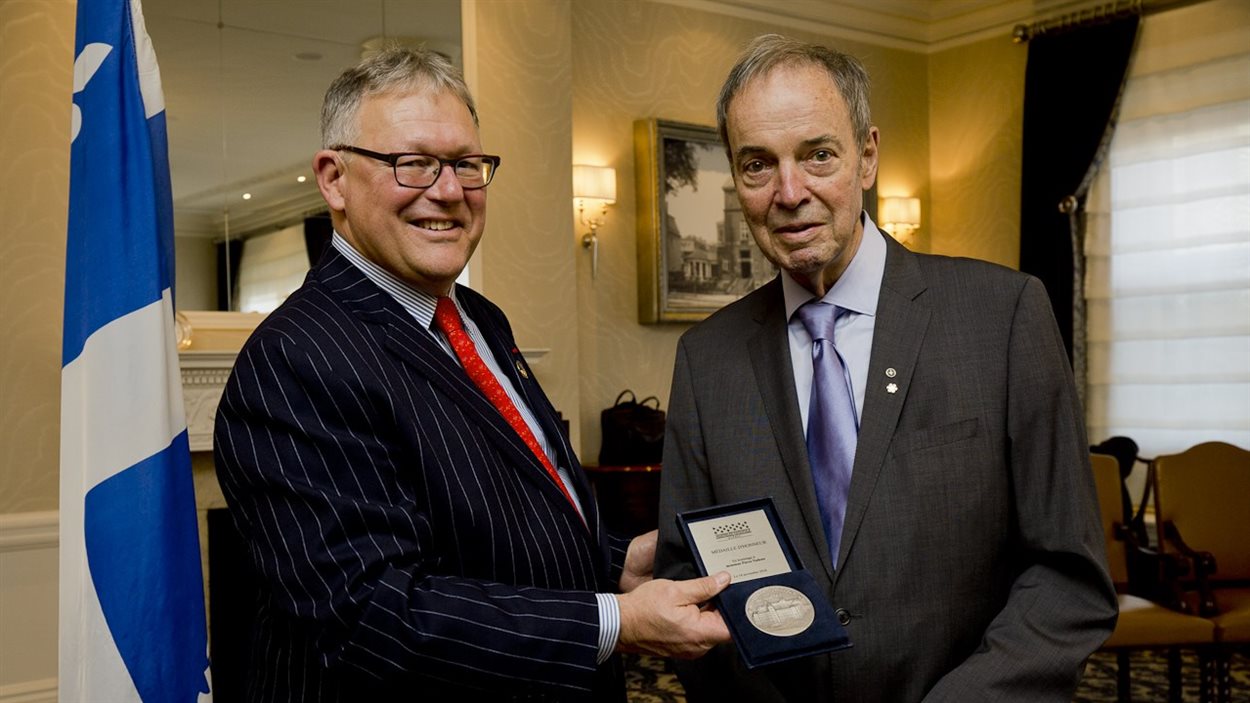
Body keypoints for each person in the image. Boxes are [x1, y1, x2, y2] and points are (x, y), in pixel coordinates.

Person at [214, 46, 730, 702]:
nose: (450, 191)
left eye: (465, 164)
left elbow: (496, 521)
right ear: (334, 179)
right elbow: (373, 613)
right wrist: (615, 622)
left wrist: (619, 562)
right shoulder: (296, 358)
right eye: (413, 163)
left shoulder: (479, 318)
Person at [654, 34, 1118, 702]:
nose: (790, 192)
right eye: (757, 165)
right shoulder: (707, 359)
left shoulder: (1003, 316)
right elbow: (687, 579)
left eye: (818, 155)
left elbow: (1068, 576)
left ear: (867, 156)